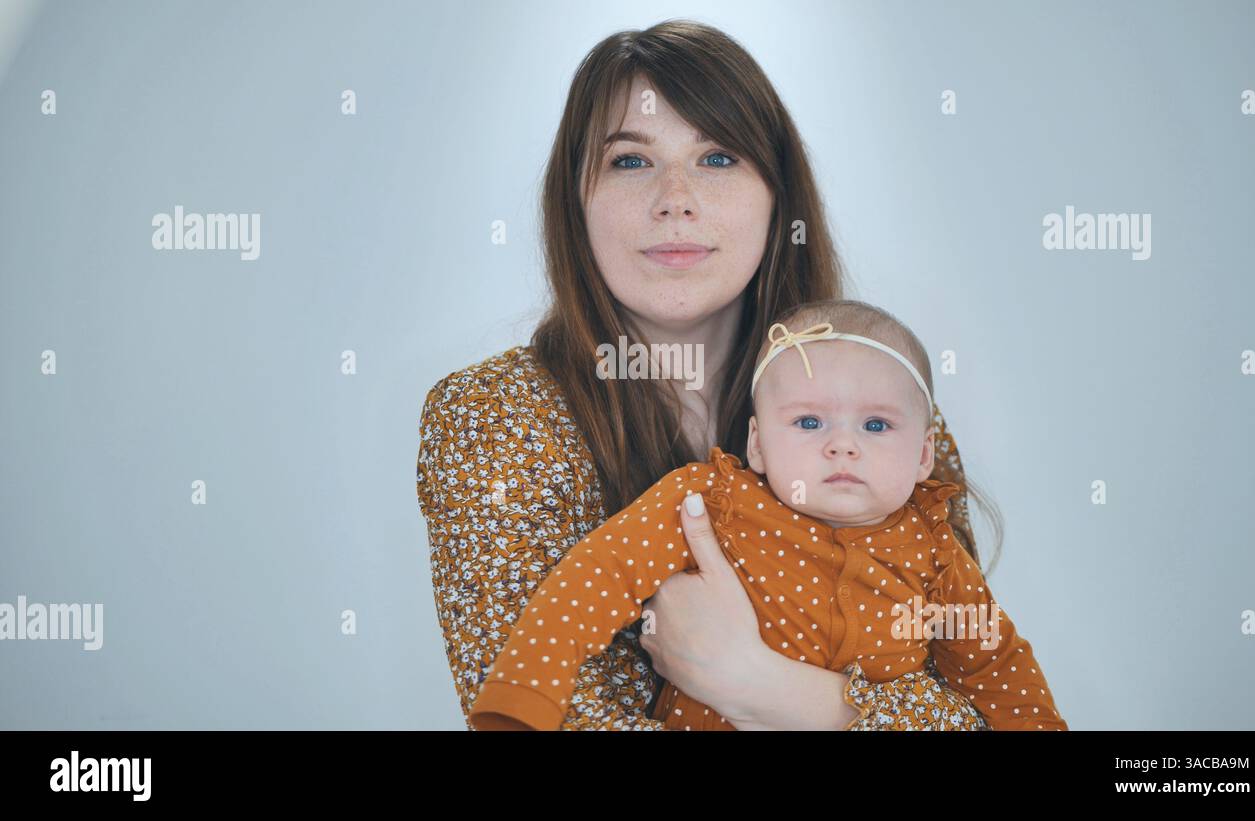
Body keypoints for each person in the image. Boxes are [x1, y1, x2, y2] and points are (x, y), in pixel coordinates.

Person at [417, 20, 1001, 730]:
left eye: (718, 157)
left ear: (777, 198)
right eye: (630, 161)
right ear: (576, 200)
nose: (675, 199)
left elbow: (983, 703)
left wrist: (757, 681)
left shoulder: (882, 407)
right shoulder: (490, 417)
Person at [467, 300, 1066, 731]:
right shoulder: (716, 501)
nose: (843, 445)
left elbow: (995, 666)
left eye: (876, 425)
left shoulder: (935, 549)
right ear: (756, 445)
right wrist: (525, 691)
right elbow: (599, 574)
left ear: (924, 456)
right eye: (809, 422)